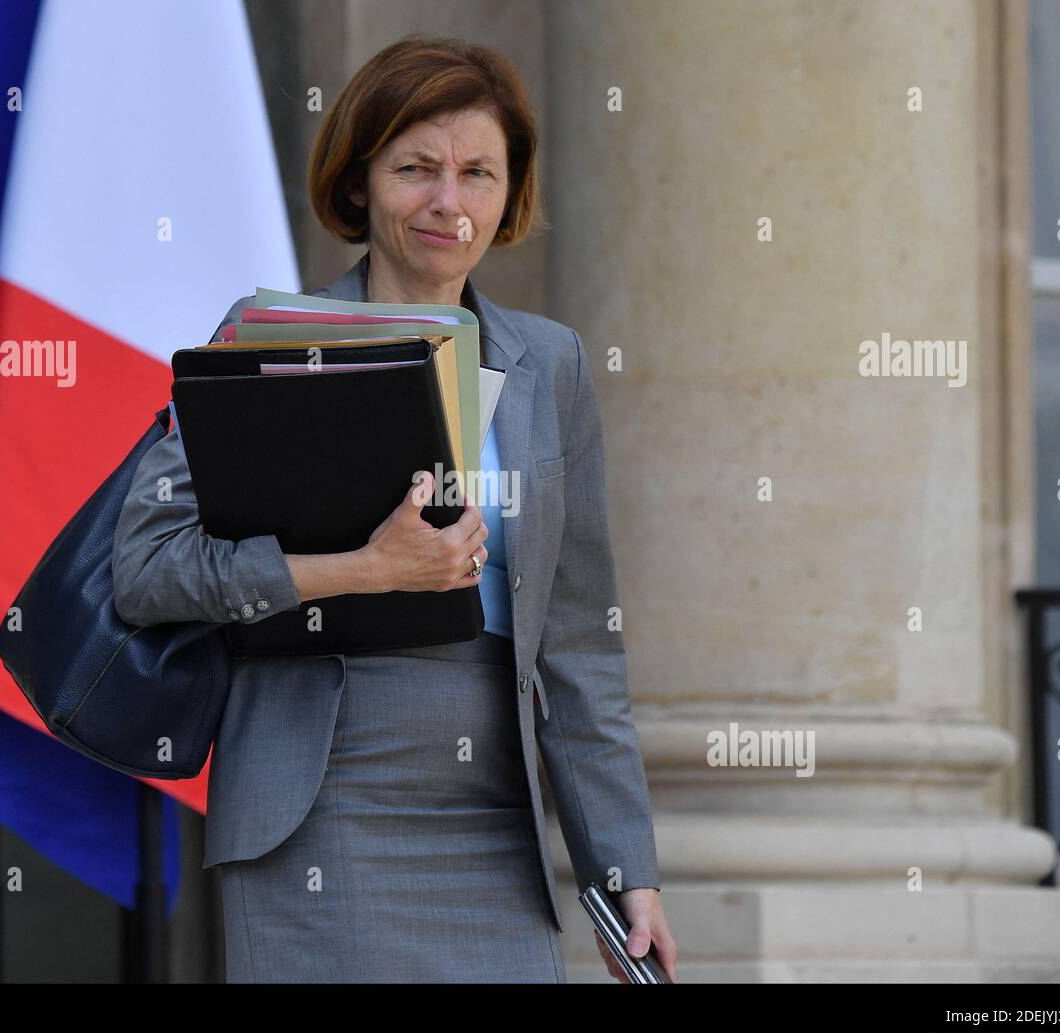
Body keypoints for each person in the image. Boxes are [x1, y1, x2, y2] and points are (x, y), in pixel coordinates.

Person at [112, 33, 676, 984]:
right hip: (321, 807)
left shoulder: (551, 364)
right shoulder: (263, 341)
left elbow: (579, 643)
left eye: (477, 173)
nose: (448, 202)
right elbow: (148, 567)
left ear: (510, 195)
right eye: (416, 168)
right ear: (362, 179)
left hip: (498, 822)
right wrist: (363, 572)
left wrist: (625, 867)